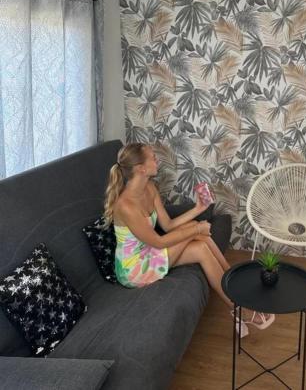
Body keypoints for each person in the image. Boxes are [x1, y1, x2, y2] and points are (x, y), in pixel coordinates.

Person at [103, 142, 274, 336]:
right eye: (152, 157)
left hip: (150, 252)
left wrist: (198, 208)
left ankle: (235, 289)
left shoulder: (149, 187)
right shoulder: (125, 206)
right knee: (195, 233)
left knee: (199, 244)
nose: (157, 159)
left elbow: (168, 225)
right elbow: (158, 241)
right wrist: (196, 229)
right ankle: (240, 304)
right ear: (141, 168)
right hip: (135, 267)